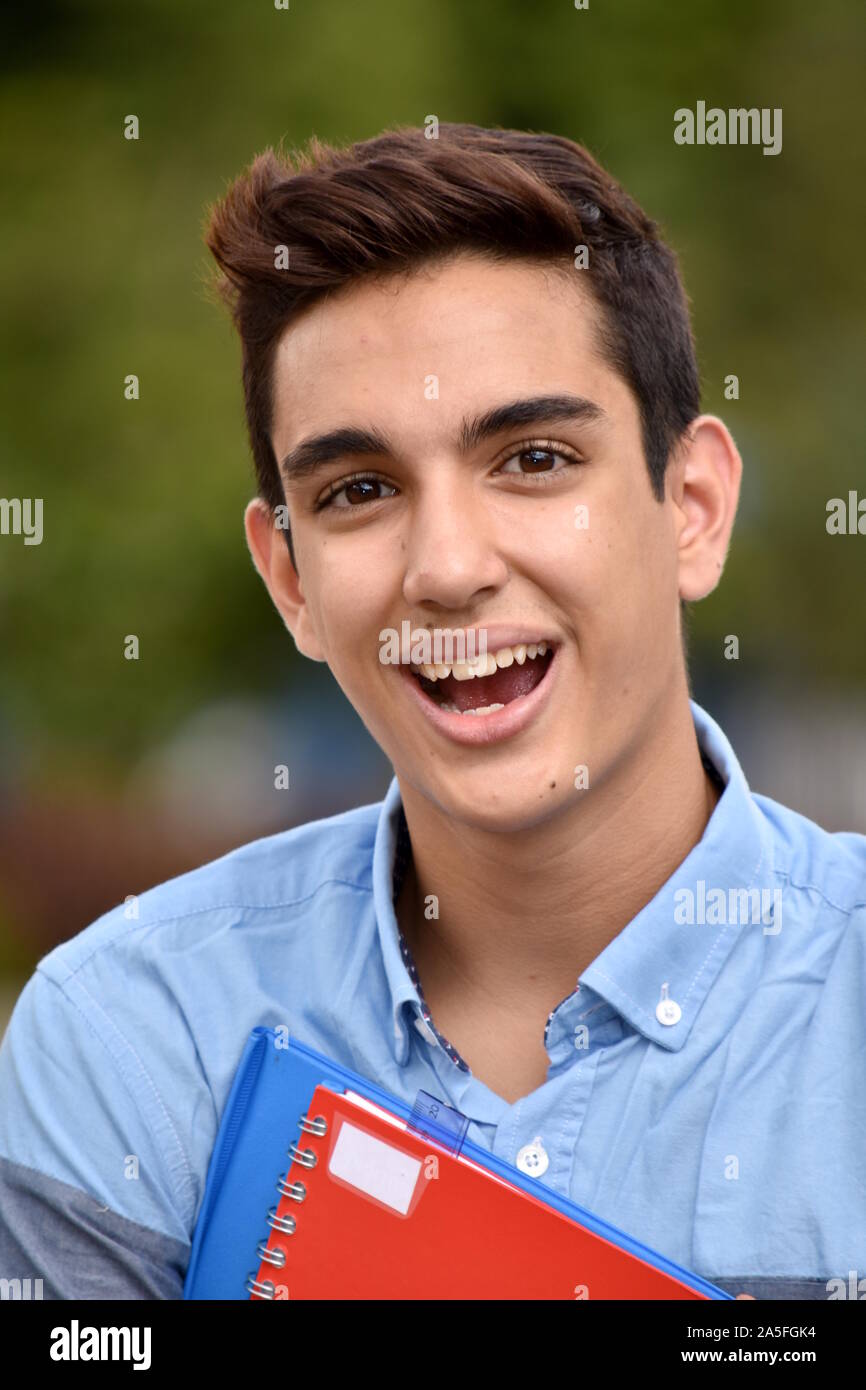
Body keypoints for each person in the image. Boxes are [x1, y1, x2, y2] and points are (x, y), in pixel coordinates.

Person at [1, 124, 862, 1301]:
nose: (447, 565)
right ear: (291, 578)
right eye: (359, 490)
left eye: (533, 458)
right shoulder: (130, 1041)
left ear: (693, 507)